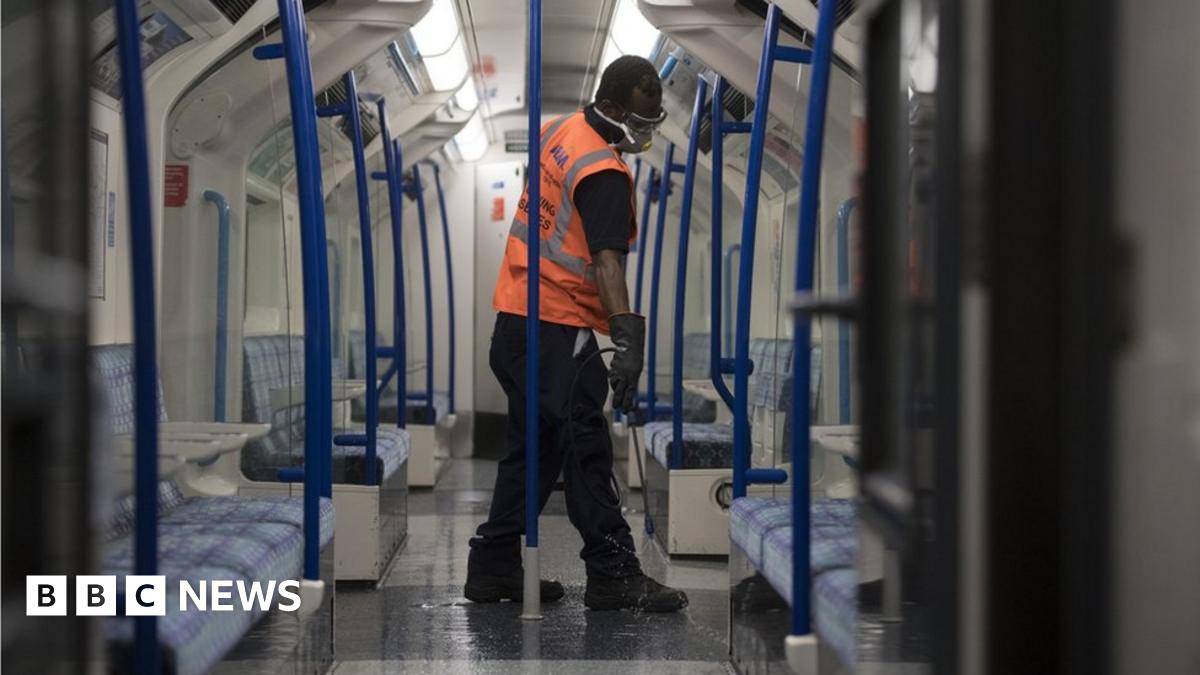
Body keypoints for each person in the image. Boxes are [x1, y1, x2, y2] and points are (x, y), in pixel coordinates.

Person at [464, 55, 688, 612]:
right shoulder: (604, 172)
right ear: (611, 109)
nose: (645, 132)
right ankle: (614, 573)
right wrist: (628, 343)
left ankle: (492, 568)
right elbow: (607, 265)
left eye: (654, 121)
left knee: (534, 451)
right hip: (556, 329)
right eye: (639, 122)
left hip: (517, 321)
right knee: (585, 443)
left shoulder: (560, 130)